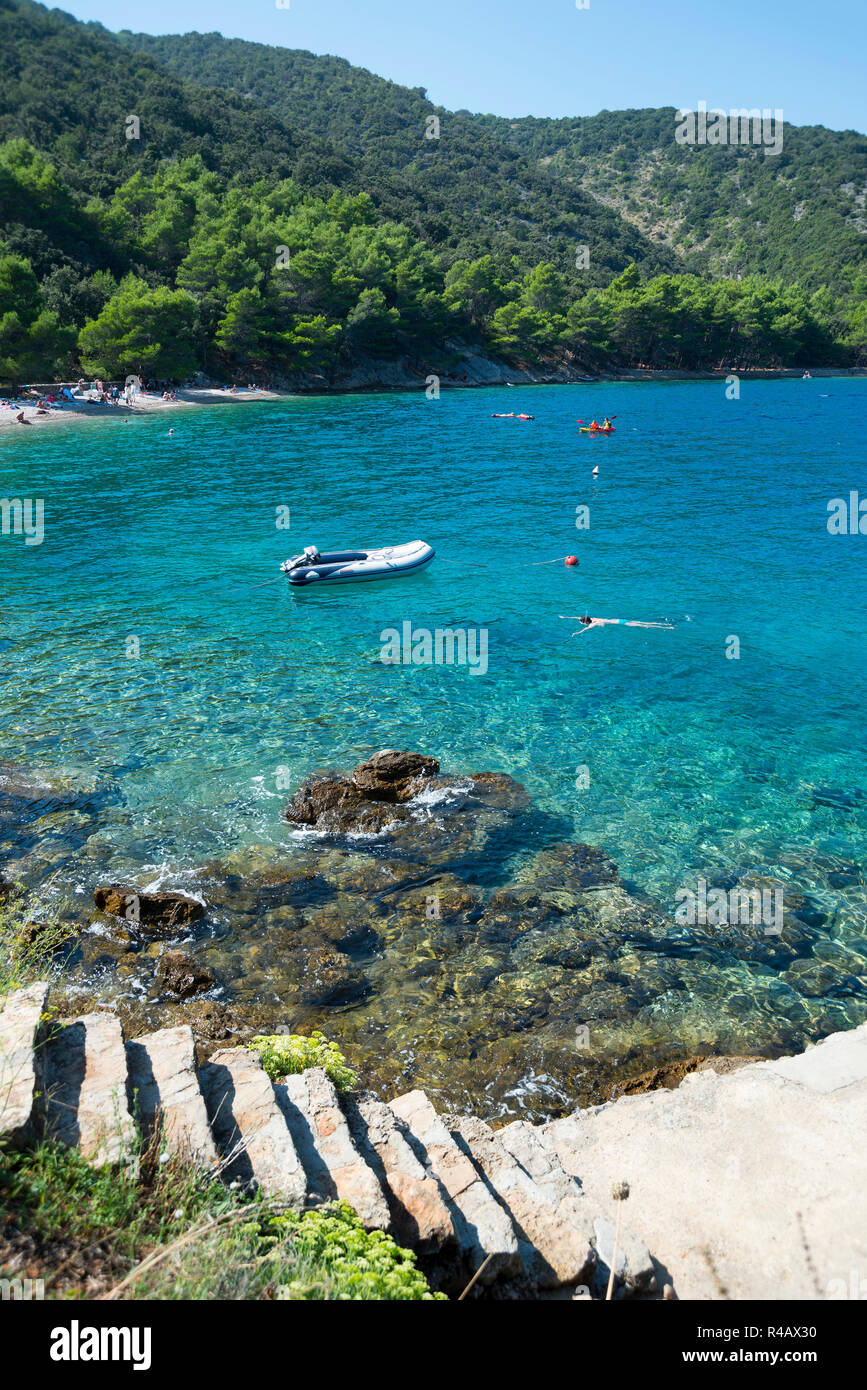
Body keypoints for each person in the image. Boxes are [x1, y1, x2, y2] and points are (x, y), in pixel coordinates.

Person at [560, 614, 676, 635]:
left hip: (624, 625)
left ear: (585, 622)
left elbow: (584, 630)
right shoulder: (594, 618)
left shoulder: (592, 625)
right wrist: (565, 617)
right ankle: (666, 625)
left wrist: (577, 633)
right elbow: (577, 617)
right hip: (620, 620)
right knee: (644, 623)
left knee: (645, 626)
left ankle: (668, 627)